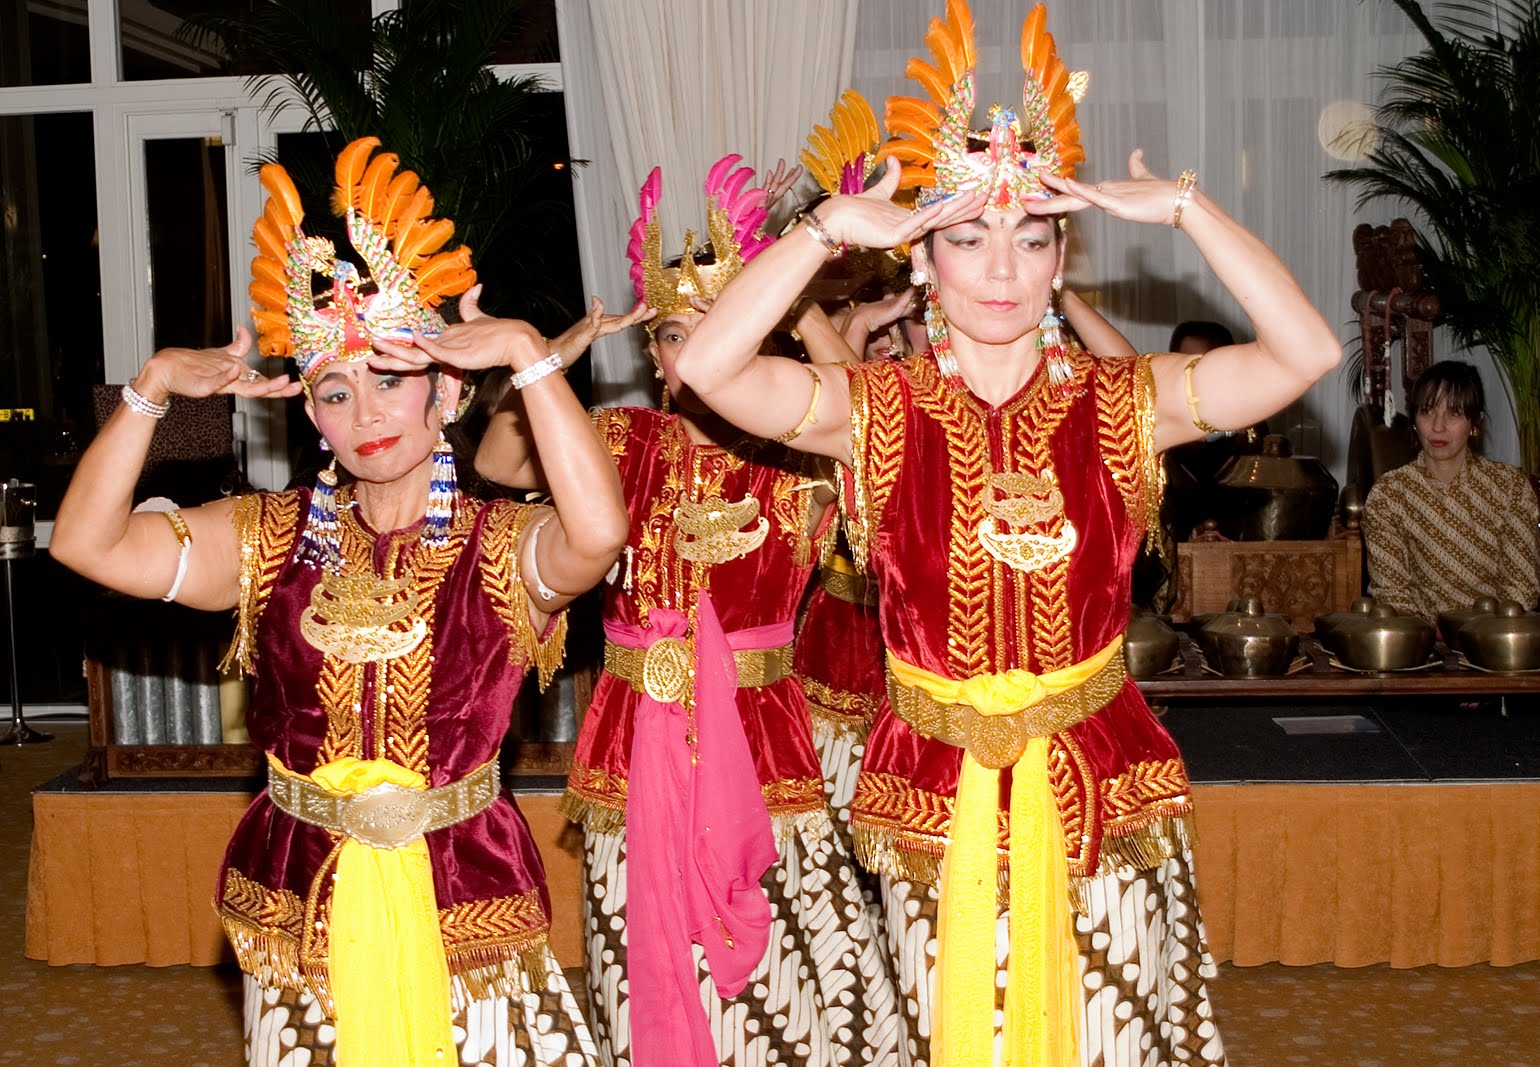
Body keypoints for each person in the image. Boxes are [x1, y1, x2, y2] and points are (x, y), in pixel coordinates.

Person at [672, 3, 1342, 1063]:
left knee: (1108, 1038)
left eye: (1029, 238)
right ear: (923, 258)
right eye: (966, 236)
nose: (999, 268)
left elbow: (1306, 349)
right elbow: (704, 370)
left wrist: (1182, 208)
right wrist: (821, 233)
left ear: (1059, 257)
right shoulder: (875, 409)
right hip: (938, 791)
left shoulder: (1125, 401)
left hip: (1098, 782)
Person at [51, 138, 626, 1067]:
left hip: (463, 895)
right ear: (310, 415)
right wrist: (152, 387)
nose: (365, 414)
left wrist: (528, 354)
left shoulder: (498, 543)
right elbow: (86, 543)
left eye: (390, 379)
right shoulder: (266, 538)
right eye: (334, 391)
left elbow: (598, 535)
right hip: (303, 890)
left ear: (445, 389)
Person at [476, 156, 899, 1067]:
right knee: (643, 946)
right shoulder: (623, 441)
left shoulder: (803, 451)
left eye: (715, 326)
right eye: (673, 334)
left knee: (787, 957)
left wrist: (804, 307)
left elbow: (876, 417)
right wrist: (557, 356)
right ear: (658, 358)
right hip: (637, 738)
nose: (690, 349)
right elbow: (501, 466)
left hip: (763, 738)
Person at [1363, 360, 1540, 619]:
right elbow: (1392, 595)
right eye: (1427, 411)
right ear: (1414, 420)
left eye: (1454, 413)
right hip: (1415, 645)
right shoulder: (1389, 495)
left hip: (1496, 642)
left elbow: (1521, 591)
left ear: (1475, 423)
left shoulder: (1509, 487)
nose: (1438, 426)